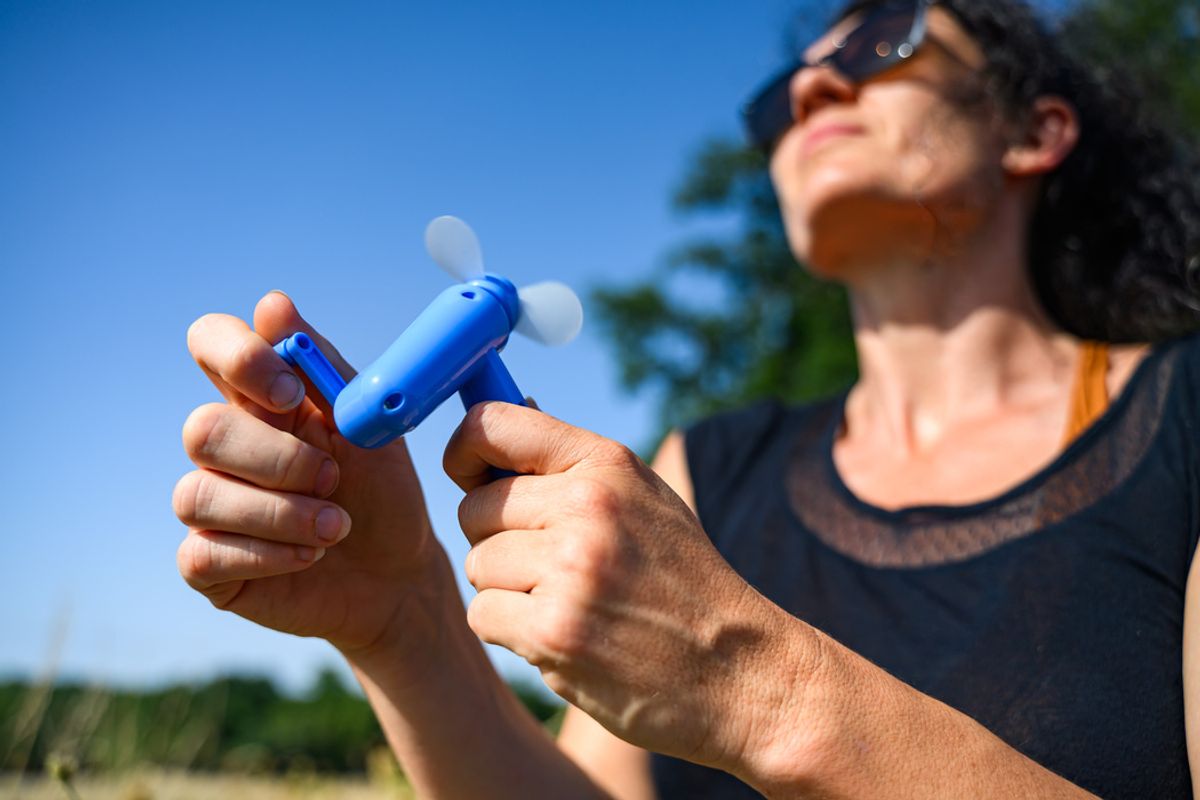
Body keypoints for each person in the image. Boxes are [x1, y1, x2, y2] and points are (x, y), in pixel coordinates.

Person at [172, 0, 1200, 796]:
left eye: (882, 45)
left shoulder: (1185, 420)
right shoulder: (706, 467)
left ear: (1037, 131)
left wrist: (752, 678)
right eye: (779, 95)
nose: (806, 94)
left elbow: (740, 678)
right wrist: (402, 617)